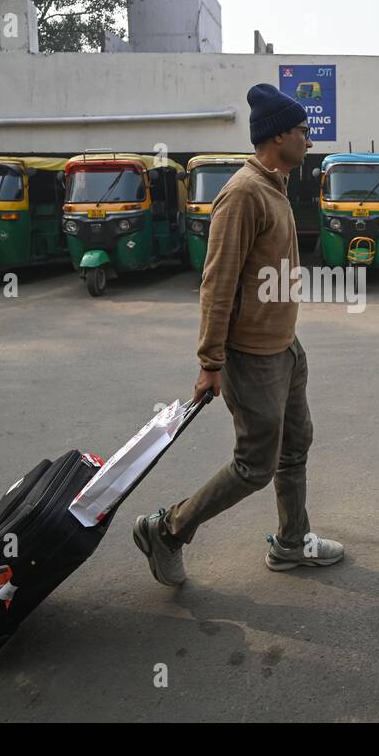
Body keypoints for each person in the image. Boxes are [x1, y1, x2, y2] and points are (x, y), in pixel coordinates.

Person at [132, 83, 346, 586]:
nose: (310, 141)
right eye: (302, 131)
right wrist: (211, 362)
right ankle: (167, 529)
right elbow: (217, 281)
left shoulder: (275, 186)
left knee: (296, 445)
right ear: (277, 137)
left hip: (286, 349)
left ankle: (293, 543)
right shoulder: (244, 193)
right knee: (255, 466)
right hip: (253, 358)